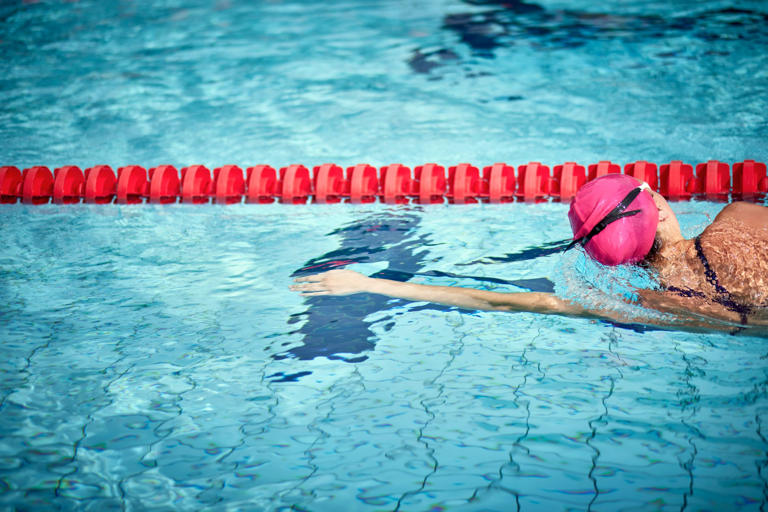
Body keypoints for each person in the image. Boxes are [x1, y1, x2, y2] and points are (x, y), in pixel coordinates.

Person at [291, 174, 768, 333]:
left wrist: (368, 282)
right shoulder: (741, 215)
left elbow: (505, 300)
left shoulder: (648, 304)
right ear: (660, 211)